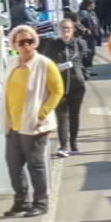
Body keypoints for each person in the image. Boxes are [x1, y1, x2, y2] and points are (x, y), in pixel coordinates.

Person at [3, 25, 64, 218]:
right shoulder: (12, 63)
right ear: (14, 45)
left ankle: (40, 201)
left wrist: (42, 114)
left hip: (34, 123)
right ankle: (21, 200)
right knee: (13, 164)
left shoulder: (44, 64)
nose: (27, 45)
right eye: (21, 42)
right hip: (13, 122)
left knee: (35, 164)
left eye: (30, 41)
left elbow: (57, 91)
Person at [42, 19, 88, 158]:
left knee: (74, 115)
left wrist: (83, 75)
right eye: (63, 28)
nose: (65, 31)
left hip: (77, 85)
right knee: (62, 116)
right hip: (58, 87)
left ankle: (73, 143)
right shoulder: (53, 44)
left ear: (73, 30)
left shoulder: (80, 43)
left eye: (68, 28)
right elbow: (46, 63)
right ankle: (63, 146)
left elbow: (86, 60)